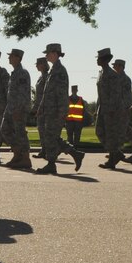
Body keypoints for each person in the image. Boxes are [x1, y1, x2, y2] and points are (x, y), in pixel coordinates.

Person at [35, 43, 86, 174]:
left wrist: (61, 112)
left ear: (54, 53)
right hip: (50, 110)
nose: (46, 55)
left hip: (56, 110)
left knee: (50, 136)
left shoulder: (60, 71)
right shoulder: (53, 70)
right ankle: (75, 154)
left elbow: (62, 93)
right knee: (52, 136)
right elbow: (47, 93)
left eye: (47, 53)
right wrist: (41, 107)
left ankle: (52, 164)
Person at [95, 49, 130, 169]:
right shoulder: (101, 73)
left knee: (111, 134)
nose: (97, 60)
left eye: (99, 58)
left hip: (112, 109)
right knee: (99, 132)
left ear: (105, 60)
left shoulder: (113, 75)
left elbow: (115, 95)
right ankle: (117, 153)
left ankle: (112, 159)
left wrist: (111, 110)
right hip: (102, 108)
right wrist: (98, 107)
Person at [1, 49, 33, 169]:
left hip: (18, 109)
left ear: (18, 58)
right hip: (10, 108)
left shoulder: (22, 73)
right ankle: (17, 154)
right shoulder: (14, 73)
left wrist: (19, 109)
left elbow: (24, 94)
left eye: (11, 56)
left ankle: (25, 158)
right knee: (4, 130)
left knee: (20, 133)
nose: (9, 58)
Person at [31, 56, 49, 159]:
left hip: (45, 108)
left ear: (43, 65)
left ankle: (48, 150)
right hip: (40, 108)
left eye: (38, 64)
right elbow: (38, 96)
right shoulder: (41, 77)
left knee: (45, 131)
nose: (37, 66)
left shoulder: (46, 77)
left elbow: (45, 95)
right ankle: (44, 150)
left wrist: (40, 108)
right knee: (41, 130)